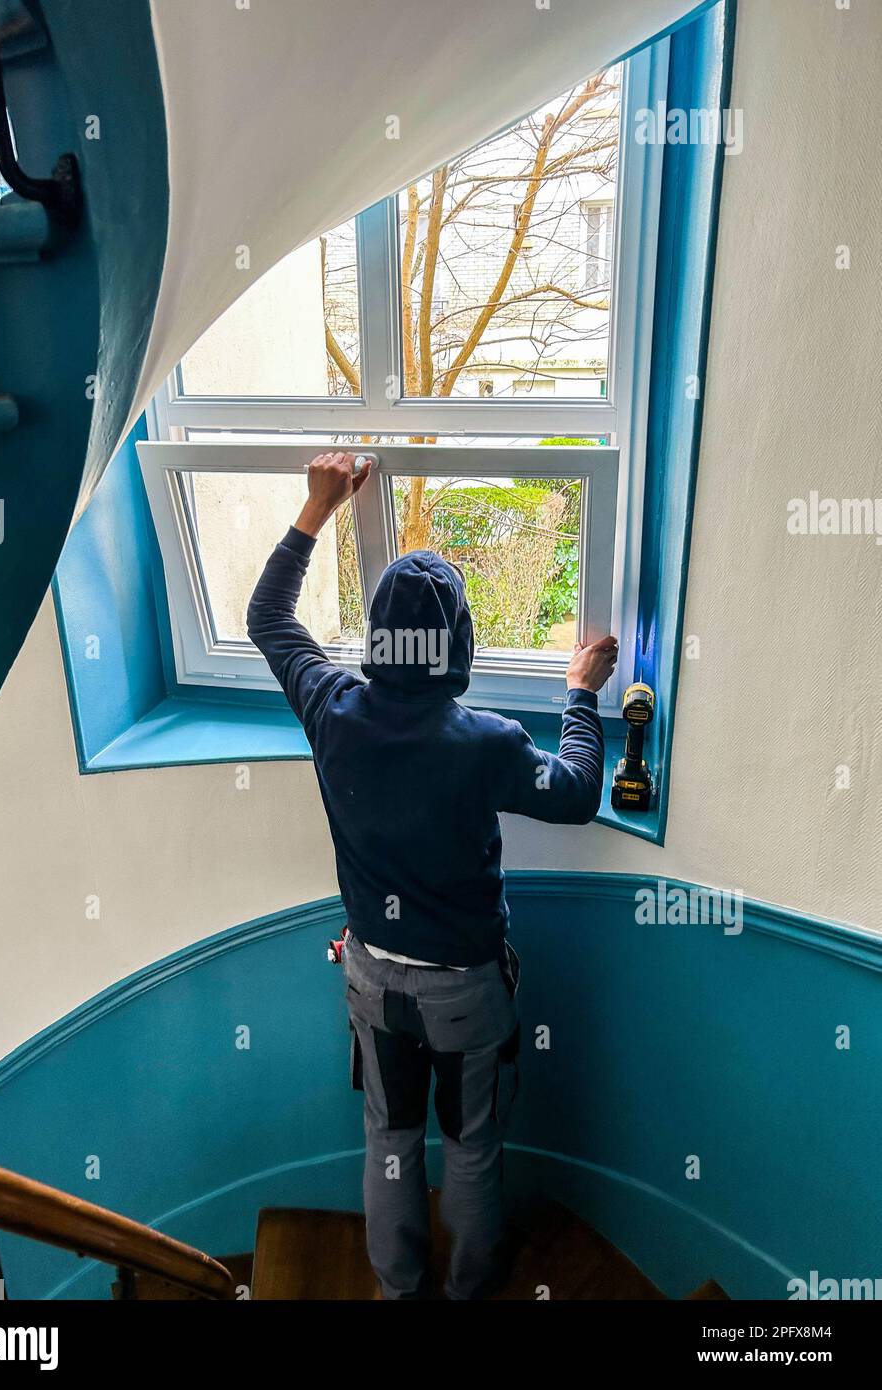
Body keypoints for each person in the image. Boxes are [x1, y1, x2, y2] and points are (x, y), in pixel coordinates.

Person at [247, 450, 617, 1299]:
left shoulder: (331, 708)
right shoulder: (481, 740)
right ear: (457, 642)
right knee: (474, 1147)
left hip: (373, 976)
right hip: (463, 989)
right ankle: (467, 1292)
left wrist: (317, 508)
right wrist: (578, 693)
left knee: (390, 1139)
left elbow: (267, 617)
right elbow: (573, 796)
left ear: (378, 638)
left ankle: (398, 1290)